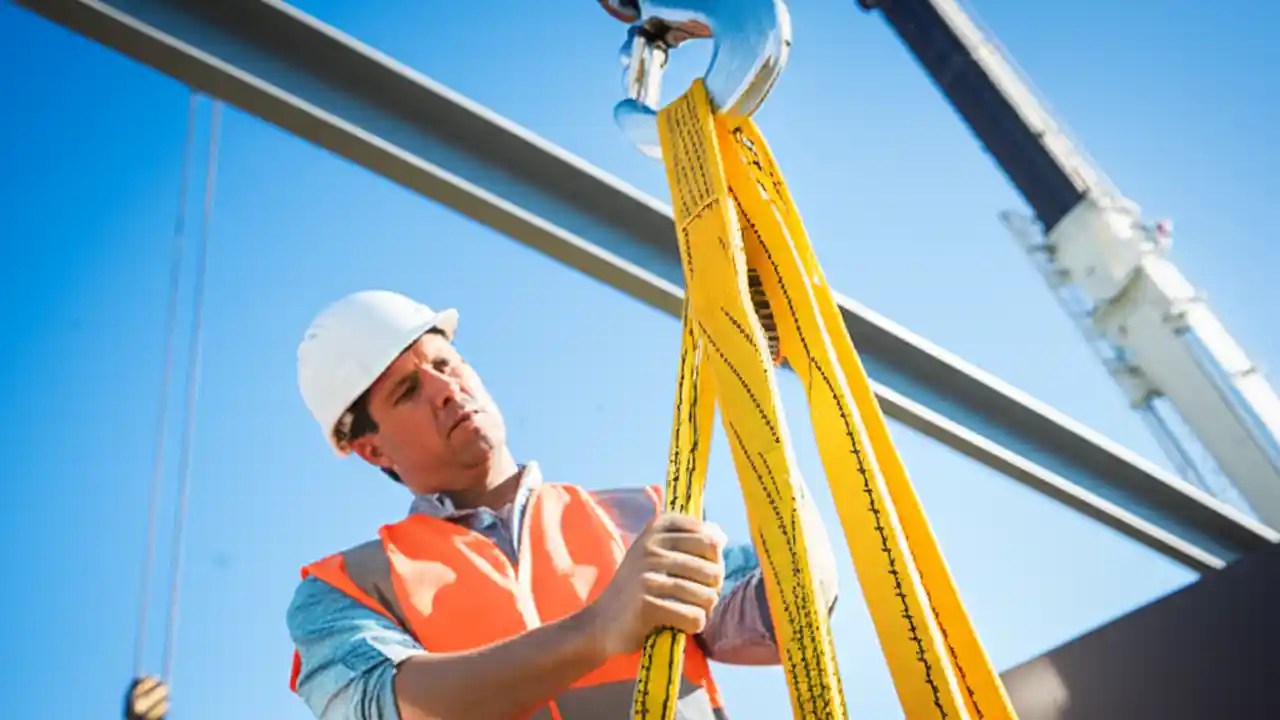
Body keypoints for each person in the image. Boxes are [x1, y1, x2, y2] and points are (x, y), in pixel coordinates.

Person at [286, 289, 839, 720]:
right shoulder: (347, 587)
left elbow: (792, 615)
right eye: (407, 391)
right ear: (371, 448)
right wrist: (599, 629)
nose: (445, 389)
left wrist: (760, 406)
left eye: (446, 363)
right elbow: (396, 709)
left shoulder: (641, 516)